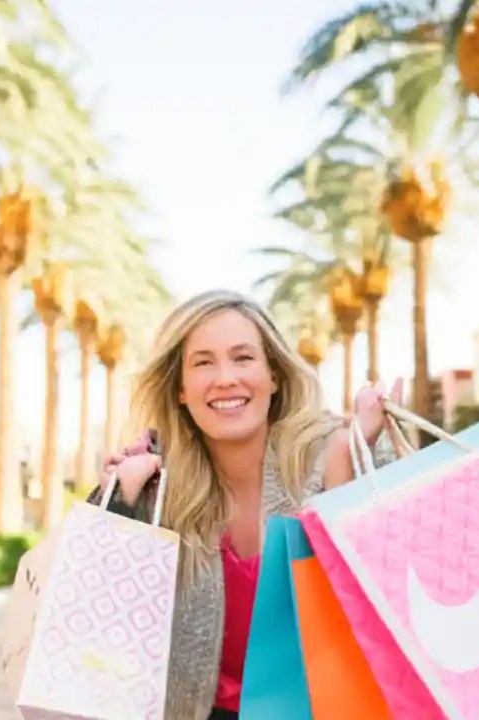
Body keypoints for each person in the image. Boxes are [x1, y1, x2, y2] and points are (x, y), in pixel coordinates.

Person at [89, 289, 406, 720]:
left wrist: (352, 456)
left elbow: (381, 582)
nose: (225, 379)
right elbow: (100, 605)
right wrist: (121, 497)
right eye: (203, 362)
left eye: (243, 358)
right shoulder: (158, 486)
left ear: (273, 375)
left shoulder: (337, 447)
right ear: (180, 389)